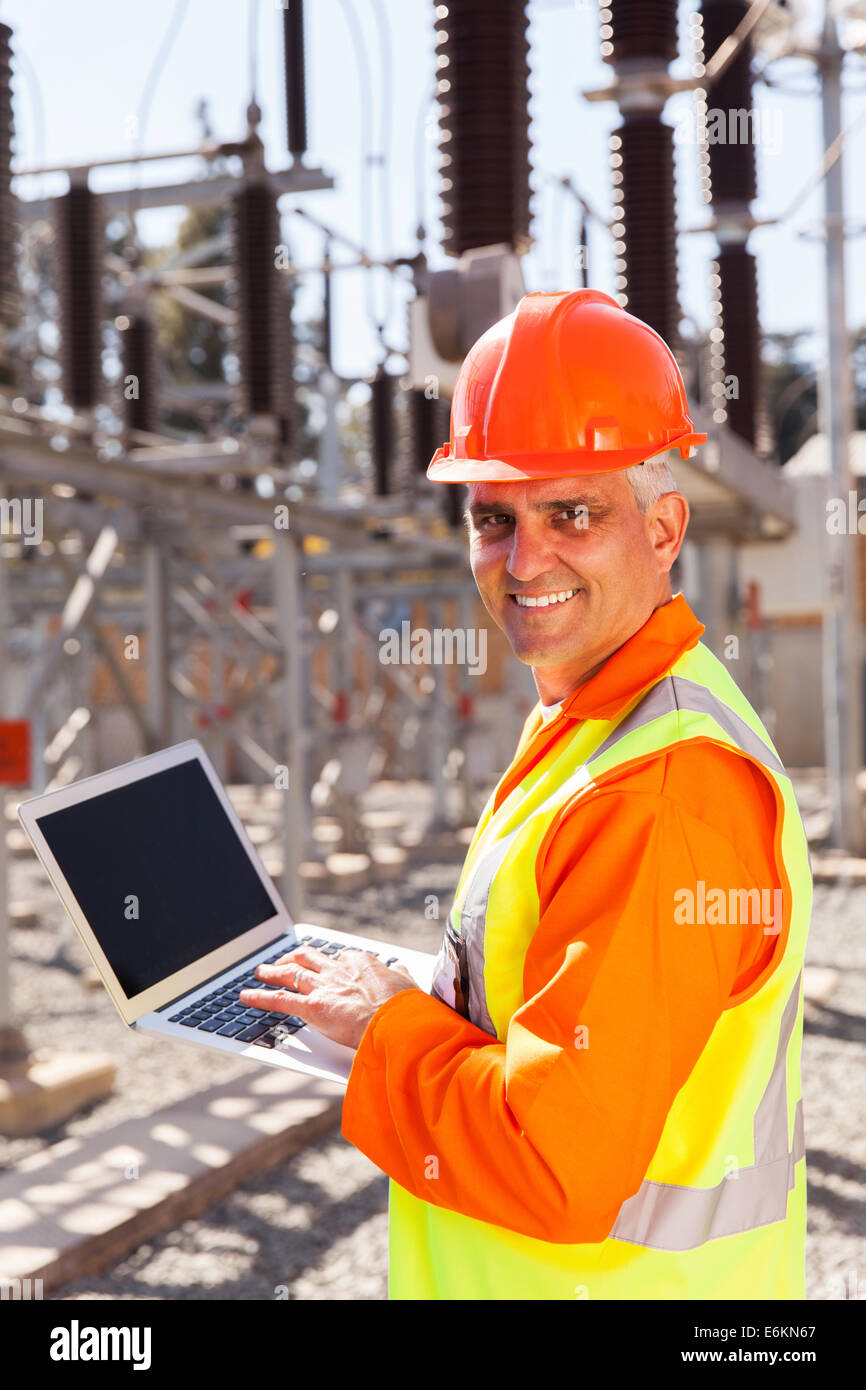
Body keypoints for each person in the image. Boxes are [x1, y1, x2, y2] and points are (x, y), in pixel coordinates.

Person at [242, 289, 812, 1300]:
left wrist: (387, 1030)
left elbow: (554, 1166)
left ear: (664, 524)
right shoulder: (596, 719)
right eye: (494, 518)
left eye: (571, 513)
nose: (525, 558)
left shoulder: (661, 787)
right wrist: (414, 998)